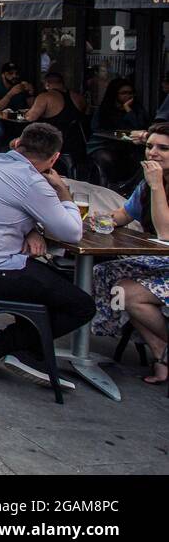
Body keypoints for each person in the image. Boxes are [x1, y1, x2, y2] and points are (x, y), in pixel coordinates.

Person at [0, 123, 91, 388]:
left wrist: (30, 231)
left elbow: (4, 209)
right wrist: (63, 191)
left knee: (53, 280)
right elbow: (72, 232)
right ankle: (7, 344)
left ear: (17, 144)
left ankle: (27, 349)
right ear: (54, 158)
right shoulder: (33, 182)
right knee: (81, 304)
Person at [91, 124, 169, 383]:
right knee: (114, 280)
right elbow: (123, 215)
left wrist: (157, 186)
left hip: (163, 263)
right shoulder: (148, 185)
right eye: (150, 146)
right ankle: (161, 355)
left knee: (126, 291)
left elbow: (166, 233)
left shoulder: (155, 184)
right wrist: (99, 219)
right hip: (160, 263)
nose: (153, 153)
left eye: (163, 148)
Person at [24, 71, 88, 168]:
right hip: (77, 143)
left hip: (52, 143)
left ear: (47, 84)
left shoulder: (45, 96)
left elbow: (30, 117)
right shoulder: (79, 97)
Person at [0, 62, 34, 153]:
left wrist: (30, 92)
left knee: (29, 130)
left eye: (16, 73)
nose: (14, 76)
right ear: (3, 75)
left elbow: (32, 107)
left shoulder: (22, 87)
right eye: (10, 74)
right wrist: (11, 94)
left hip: (16, 117)